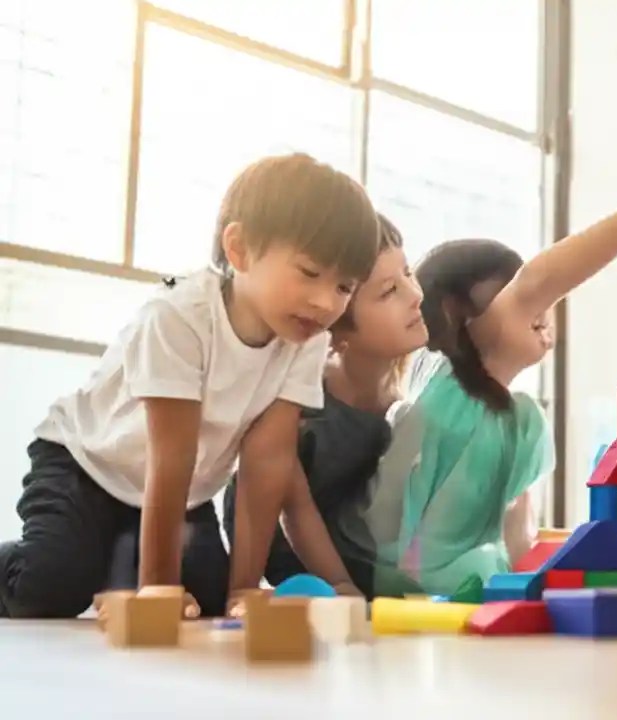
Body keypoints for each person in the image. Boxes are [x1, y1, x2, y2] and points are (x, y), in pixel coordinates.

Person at [0, 153, 380, 618]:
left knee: (212, 600)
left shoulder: (305, 339)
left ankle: (121, 564)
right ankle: (100, 564)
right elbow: (171, 453)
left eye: (344, 287)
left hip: (183, 496)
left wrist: (243, 589)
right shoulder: (179, 317)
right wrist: (158, 588)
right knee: (49, 586)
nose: (325, 302)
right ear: (239, 249)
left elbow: (268, 462)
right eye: (308, 272)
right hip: (88, 466)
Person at [345, 153, 617, 596]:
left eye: (544, 302)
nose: (543, 309)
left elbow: (518, 540)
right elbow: (541, 277)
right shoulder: (444, 384)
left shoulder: (523, 420)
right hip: (420, 594)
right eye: (513, 295)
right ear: (456, 315)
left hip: (484, 589)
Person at [221, 213, 429, 598]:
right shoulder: (308, 412)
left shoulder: (407, 408)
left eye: (409, 273)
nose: (416, 294)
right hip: (291, 555)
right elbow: (289, 507)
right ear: (336, 334)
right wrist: (341, 586)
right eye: (388, 292)